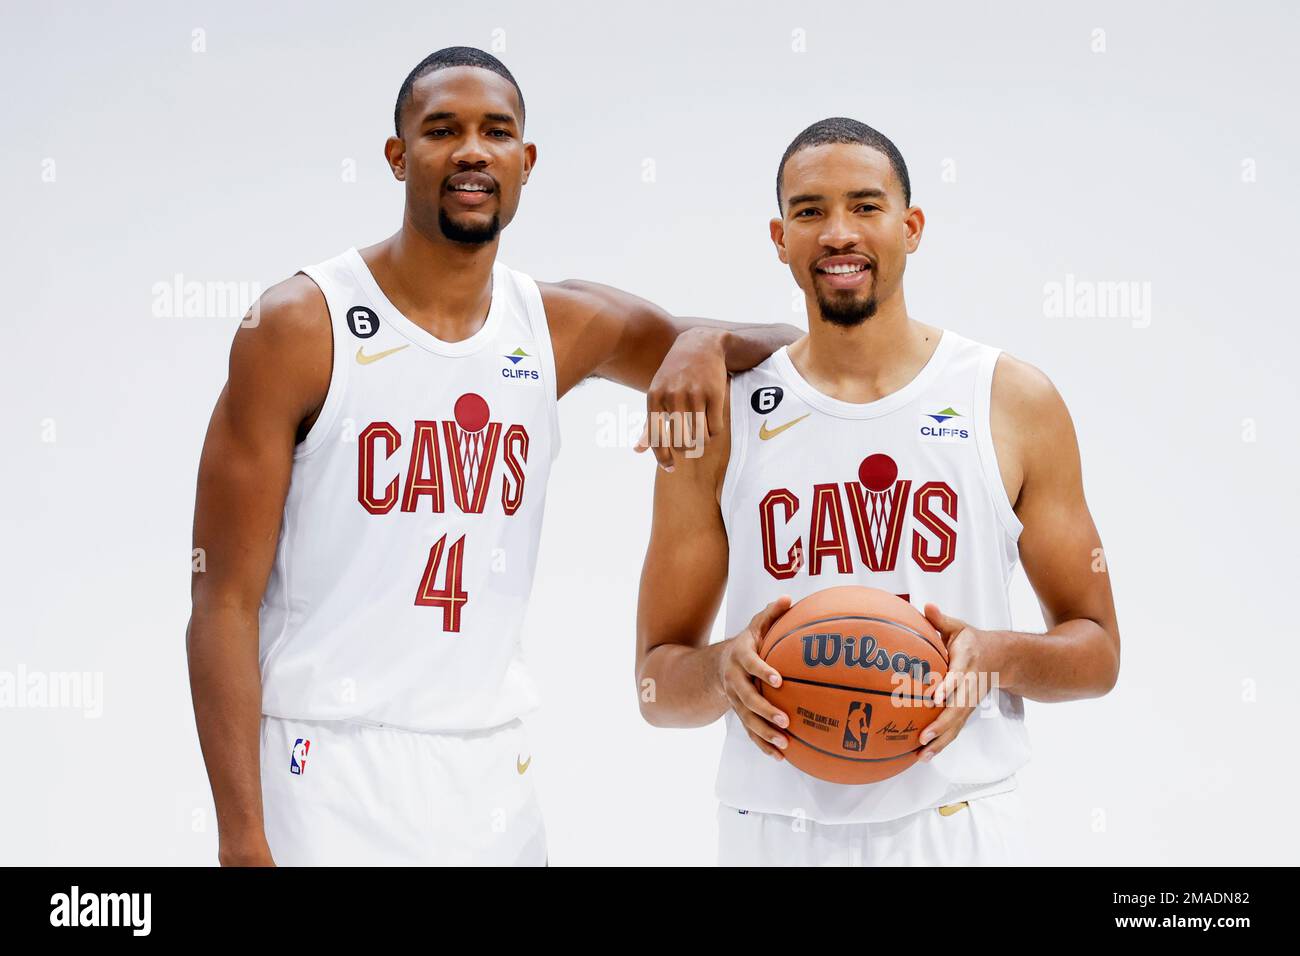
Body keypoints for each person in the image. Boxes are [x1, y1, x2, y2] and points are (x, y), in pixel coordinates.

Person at [186, 47, 797, 866]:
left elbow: (793, 356)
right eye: (442, 130)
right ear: (399, 156)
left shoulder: (560, 323)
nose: (472, 150)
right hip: (322, 766)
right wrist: (240, 837)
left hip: (489, 773)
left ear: (525, 162)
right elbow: (221, 603)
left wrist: (705, 342)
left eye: (496, 132)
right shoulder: (301, 325)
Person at [635, 117, 1120, 866]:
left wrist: (994, 658)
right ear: (779, 236)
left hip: (954, 825)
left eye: (865, 206)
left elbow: (1098, 653)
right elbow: (656, 685)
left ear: (912, 225)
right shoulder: (722, 415)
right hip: (771, 827)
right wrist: (719, 670)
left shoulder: (1010, 398)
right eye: (809, 211)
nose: (838, 232)